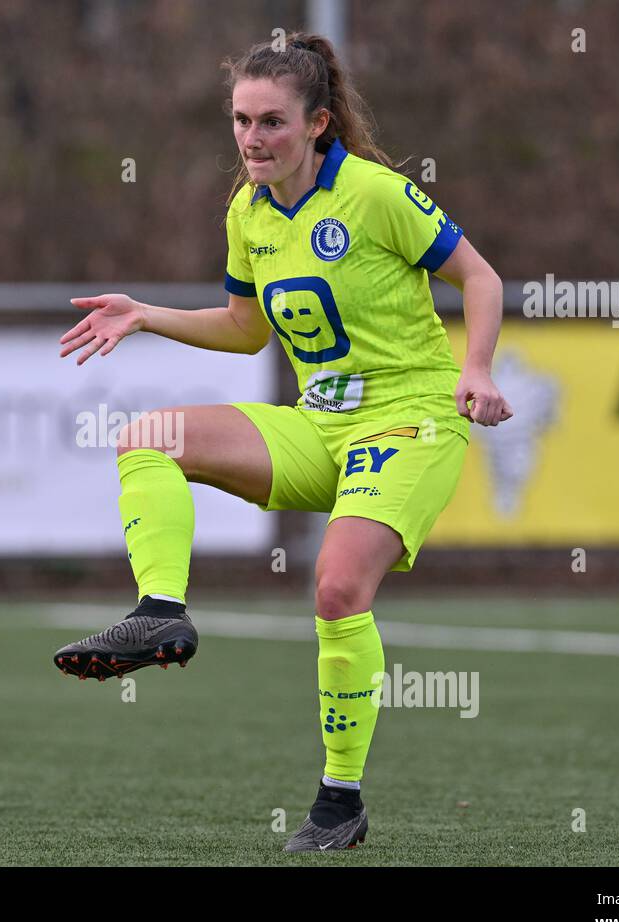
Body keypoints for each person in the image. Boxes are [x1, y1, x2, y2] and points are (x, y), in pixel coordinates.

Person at [52, 33, 512, 853]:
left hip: (410, 421)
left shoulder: (375, 194)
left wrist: (474, 368)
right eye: (239, 120)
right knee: (145, 439)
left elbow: (480, 276)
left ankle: (340, 801)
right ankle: (160, 614)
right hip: (318, 424)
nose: (252, 139)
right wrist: (146, 314)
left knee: (336, 590)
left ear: (318, 124)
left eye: (271, 122)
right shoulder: (248, 213)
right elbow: (244, 328)